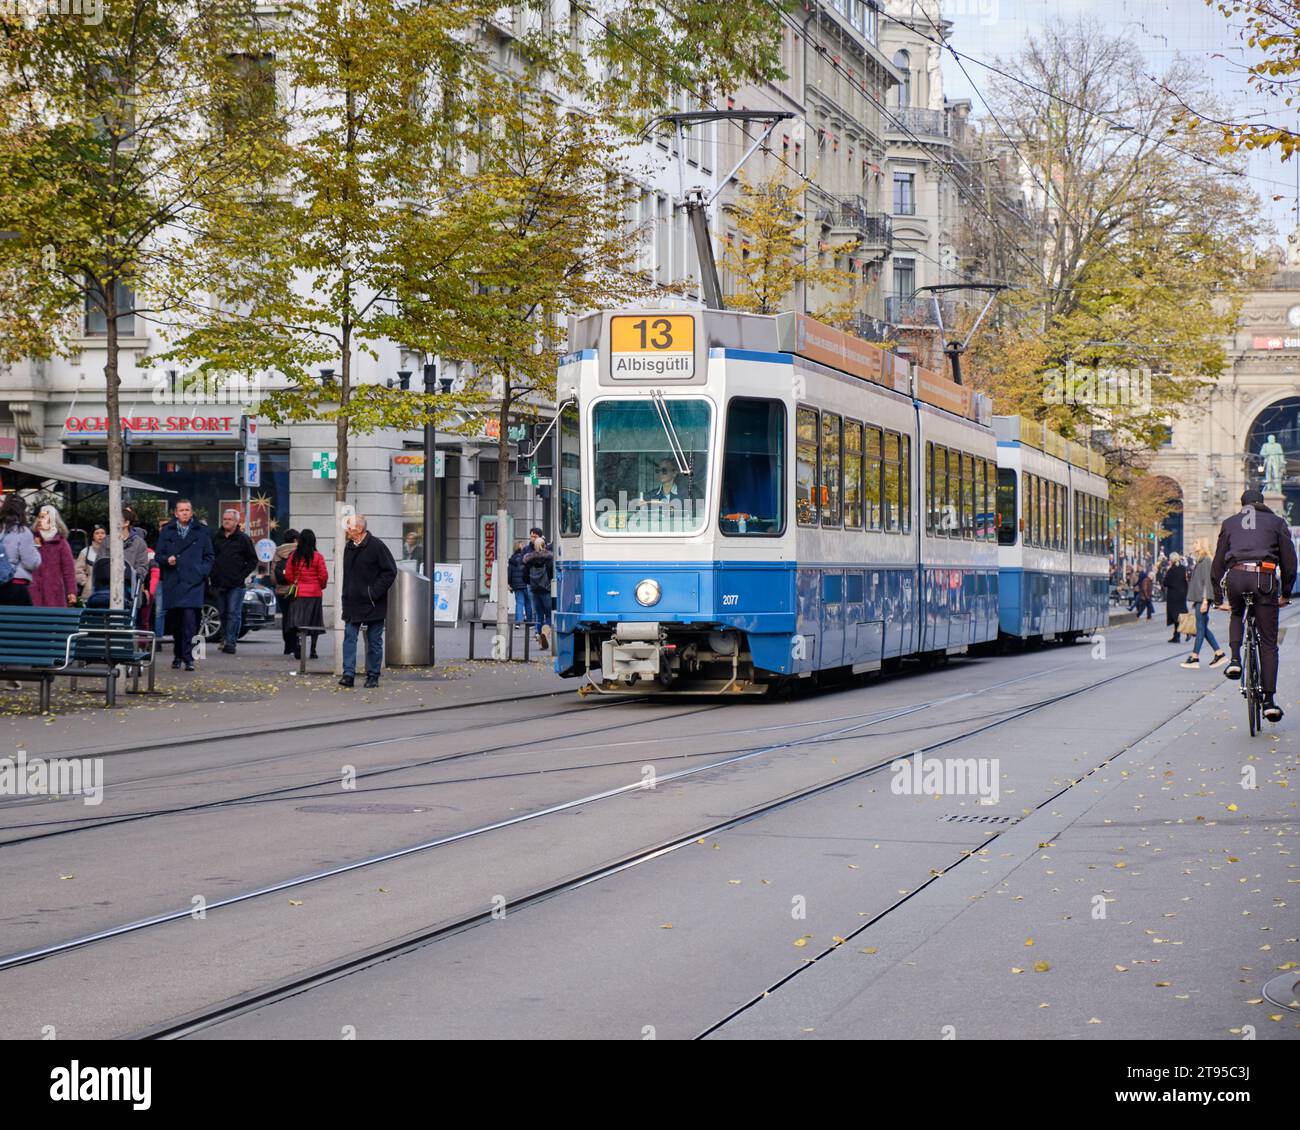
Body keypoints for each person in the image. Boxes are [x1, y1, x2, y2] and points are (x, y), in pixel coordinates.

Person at [1211, 488, 1298, 722]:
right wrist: (1286, 592)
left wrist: (1218, 597)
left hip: (1236, 577)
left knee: (1237, 613)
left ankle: (1235, 660)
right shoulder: (1277, 522)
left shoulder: (1230, 523)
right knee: (1268, 641)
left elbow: (1219, 560)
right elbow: (1290, 561)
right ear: (1262, 503)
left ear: (1243, 505)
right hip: (1264, 578)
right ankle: (1269, 701)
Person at [154, 499, 214, 671]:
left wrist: (200, 571)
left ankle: (189, 658)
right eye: (181, 510)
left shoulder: (201, 531)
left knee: (190, 620)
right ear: (175, 513)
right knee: (176, 622)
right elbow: (158, 555)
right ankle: (178, 654)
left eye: (188, 510)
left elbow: (209, 556)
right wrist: (167, 559)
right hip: (174, 581)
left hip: (193, 582)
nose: (185, 513)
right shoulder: (167, 530)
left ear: (192, 512)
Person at [339, 514, 396, 689]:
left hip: (372, 602)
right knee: (349, 637)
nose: (347, 530)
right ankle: (348, 674)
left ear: (360, 528)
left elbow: (390, 571)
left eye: (350, 527)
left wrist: (374, 592)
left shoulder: (377, 546)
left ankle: (373, 675)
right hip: (352, 602)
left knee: (374, 640)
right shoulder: (349, 547)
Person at [210, 508, 258, 654]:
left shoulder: (243, 538)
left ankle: (231, 642)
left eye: (229, 519)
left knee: (233, 613)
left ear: (237, 522)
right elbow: (209, 556)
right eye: (225, 518)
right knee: (223, 613)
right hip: (219, 582)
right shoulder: (216, 537)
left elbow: (252, 560)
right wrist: (212, 574)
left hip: (236, 584)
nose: (226, 521)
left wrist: (241, 575)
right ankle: (225, 637)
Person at [1182, 538, 1227, 670]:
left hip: (1203, 599)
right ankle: (1219, 654)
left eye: (1196, 542)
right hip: (1200, 599)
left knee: (1200, 627)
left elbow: (1208, 581)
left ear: (1202, 545)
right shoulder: (1201, 560)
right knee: (1203, 628)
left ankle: (1195, 657)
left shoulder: (1206, 560)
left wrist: (1205, 601)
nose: (1193, 544)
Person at [284, 528, 327, 661]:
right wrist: (320, 586)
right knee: (314, 621)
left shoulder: (293, 556)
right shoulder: (318, 556)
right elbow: (323, 576)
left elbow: (289, 575)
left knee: (299, 621)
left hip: (299, 594)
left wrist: (295, 583)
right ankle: (313, 649)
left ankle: (298, 644)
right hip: (314, 594)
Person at [30, 505, 77, 608]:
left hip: (55, 591)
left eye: (44, 517)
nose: (40, 520)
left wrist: (71, 591)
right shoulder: (31, 538)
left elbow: (68, 570)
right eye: (40, 517)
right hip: (34, 590)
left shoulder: (62, 543)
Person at [0, 495, 42, 606]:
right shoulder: (22, 531)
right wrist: (36, 551)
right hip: (16, 585)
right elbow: (30, 563)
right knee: (22, 621)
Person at [522, 527, 554, 651]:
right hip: (546, 590)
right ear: (544, 545)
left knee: (539, 616)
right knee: (549, 614)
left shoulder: (528, 559)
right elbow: (552, 574)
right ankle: (545, 633)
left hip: (534, 590)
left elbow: (524, 575)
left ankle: (540, 641)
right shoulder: (549, 558)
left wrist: (530, 582)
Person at [272, 530, 300, 656]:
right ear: (295, 539)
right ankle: (296, 644)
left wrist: (277, 584)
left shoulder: (278, 552)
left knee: (286, 616)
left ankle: (287, 646)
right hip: (296, 589)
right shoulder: (300, 550)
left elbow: (273, 574)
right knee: (296, 617)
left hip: (281, 590)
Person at [75, 524, 107, 601]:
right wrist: (86, 583)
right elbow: (77, 571)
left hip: (108, 591)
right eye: (97, 533)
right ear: (93, 536)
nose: (100, 535)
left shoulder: (112, 552)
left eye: (102, 533)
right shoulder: (85, 552)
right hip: (89, 593)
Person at [1163, 552, 1189, 643]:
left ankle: (1182, 633)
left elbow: (1165, 582)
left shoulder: (1171, 570)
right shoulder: (1183, 568)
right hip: (1182, 595)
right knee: (1182, 613)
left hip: (1173, 596)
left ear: (1171, 560)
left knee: (1175, 616)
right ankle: (1177, 635)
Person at [507, 540, 532, 625]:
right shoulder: (526, 557)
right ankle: (530, 621)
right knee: (528, 603)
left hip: (516, 585)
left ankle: (518, 622)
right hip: (526, 583)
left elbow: (509, 572)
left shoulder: (512, 559)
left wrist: (509, 583)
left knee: (519, 603)